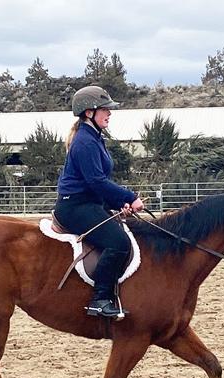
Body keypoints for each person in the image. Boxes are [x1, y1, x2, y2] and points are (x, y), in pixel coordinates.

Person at [53, 85, 145, 318]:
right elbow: (96, 181)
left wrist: (116, 204)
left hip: (89, 203)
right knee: (119, 243)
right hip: (75, 206)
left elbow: (99, 183)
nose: (109, 113)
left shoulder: (94, 138)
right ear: (88, 112)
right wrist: (130, 197)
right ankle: (100, 299)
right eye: (105, 109)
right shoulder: (85, 141)